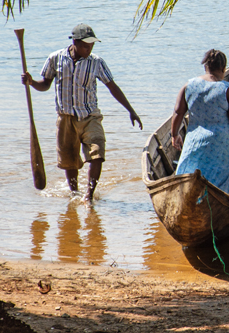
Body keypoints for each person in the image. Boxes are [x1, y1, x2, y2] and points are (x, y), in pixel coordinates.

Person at [22, 23, 142, 201]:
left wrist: (131, 110)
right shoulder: (55, 58)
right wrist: (31, 82)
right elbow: (45, 84)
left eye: (92, 45)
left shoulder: (96, 62)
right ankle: (74, 193)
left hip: (90, 117)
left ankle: (89, 196)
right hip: (66, 118)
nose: (89, 49)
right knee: (69, 162)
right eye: (86, 45)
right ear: (75, 42)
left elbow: (112, 87)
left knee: (97, 154)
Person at [171, 49, 229, 192]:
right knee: (218, 183)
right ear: (223, 69)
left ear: (205, 66)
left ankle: (189, 197)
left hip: (194, 142)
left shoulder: (188, 86)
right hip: (221, 145)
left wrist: (174, 134)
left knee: (189, 176)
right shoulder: (228, 90)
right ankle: (216, 198)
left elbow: (178, 112)